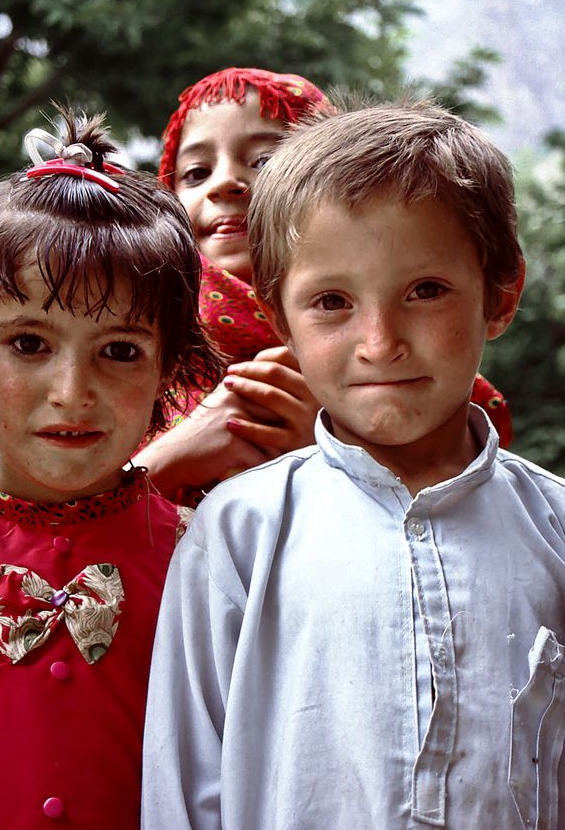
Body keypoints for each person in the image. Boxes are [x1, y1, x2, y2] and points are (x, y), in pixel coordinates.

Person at [137, 99, 565, 830]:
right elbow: (183, 829)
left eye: (426, 290)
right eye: (331, 301)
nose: (379, 342)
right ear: (278, 312)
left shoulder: (553, 528)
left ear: (500, 296)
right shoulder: (239, 531)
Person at [0, 108, 220, 830]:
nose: (71, 392)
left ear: (171, 369)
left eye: (119, 350)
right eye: (30, 343)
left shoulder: (213, 571)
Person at [139, 67, 513, 505]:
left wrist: (335, 451)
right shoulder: (127, 341)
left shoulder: (434, 383)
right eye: (196, 172)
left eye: (263, 161)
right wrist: (167, 460)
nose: (224, 182)